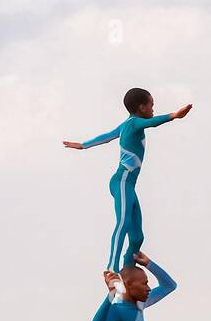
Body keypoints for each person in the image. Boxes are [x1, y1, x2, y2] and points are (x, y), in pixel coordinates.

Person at [63, 88, 192, 272]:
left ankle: (128, 270)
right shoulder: (133, 124)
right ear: (141, 108)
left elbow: (107, 137)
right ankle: (112, 267)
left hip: (129, 185)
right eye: (151, 105)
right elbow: (153, 123)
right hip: (121, 181)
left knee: (137, 238)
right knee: (123, 221)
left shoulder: (126, 125)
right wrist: (173, 115)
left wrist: (84, 145)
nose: (153, 109)